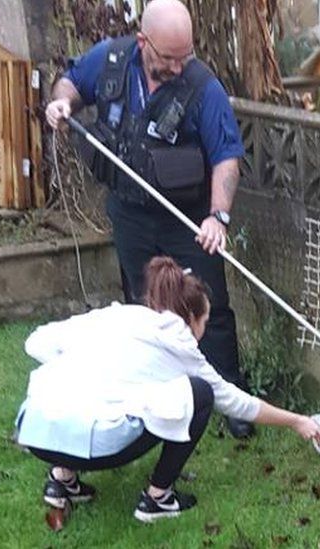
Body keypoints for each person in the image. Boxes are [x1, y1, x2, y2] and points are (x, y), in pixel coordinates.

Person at [44, 0, 254, 438]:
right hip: (130, 211)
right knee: (144, 306)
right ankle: (154, 395)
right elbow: (70, 83)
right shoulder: (111, 60)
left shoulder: (203, 87)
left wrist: (218, 216)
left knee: (207, 306)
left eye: (185, 57)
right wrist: (61, 105)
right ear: (143, 43)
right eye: (168, 59)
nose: (178, 68)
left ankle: (232, 400)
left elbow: (227, 157)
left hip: (188, 216)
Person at [15, 256, 320, 522]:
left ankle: (62, 480)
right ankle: (158, 498)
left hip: (35, 431)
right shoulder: (181, 346)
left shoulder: (119, 315)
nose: (203, 329)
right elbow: (236, 403)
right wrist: (297, 420)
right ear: (190, 318)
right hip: (99, 448)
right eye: (204, 320)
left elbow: (37, 343)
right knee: (200, 394)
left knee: (88, 388)